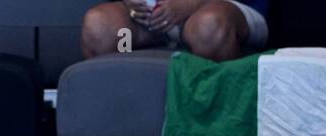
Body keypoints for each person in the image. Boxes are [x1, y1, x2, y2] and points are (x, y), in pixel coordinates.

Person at [81, 0, 269, 61]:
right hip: (152, 21)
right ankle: (121, 109)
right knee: (101, 27)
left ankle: (220, 125)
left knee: (207, 27)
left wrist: (193, 4)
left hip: (226, 10)